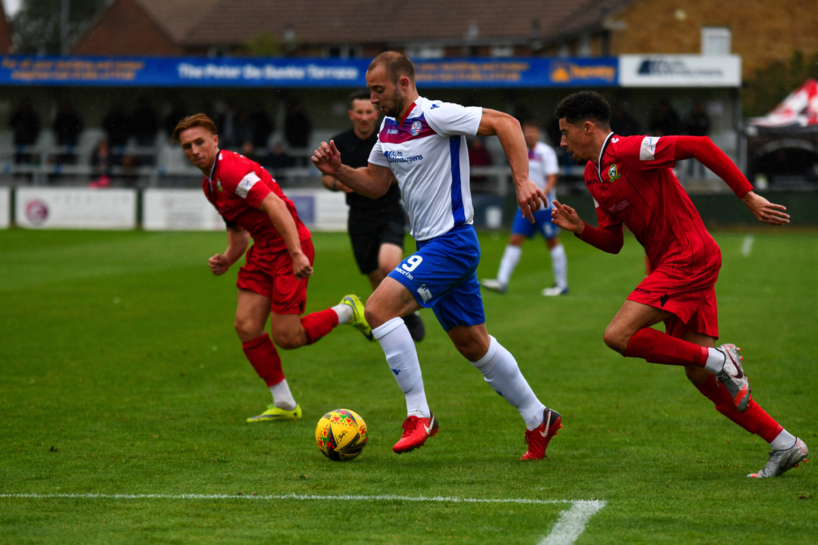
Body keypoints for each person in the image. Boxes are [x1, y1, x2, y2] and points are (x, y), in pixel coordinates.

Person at [312, 52, 561, 460]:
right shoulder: (389, 130)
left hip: (453, 241)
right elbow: (375, 184)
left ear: (404, 83)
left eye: (379, 90)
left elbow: (506, 123)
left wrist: (521, 181)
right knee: (472, 344)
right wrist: (339, 169)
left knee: (377, 311)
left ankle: (420, 415)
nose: (373, 99)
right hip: (429, 245)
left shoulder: (436, 114)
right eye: (370, 91)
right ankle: (539, 418)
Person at [550, 91, 808, 478]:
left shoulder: (630, 150)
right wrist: (580, 229)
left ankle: (723, 359)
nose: (562, 142)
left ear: (588, 128)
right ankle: (784, 443)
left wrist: (747, 195)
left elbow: (701, 145)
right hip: (675, 265)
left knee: (618, 335)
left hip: (688, 255)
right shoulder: (593, 175)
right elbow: (614, 242)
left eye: (566, 132)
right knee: (699, 373)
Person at [173, 113, 373, 423]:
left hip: (288, 247)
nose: (194, 150)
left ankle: (347, 311)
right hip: (263, 250)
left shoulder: (231, 170)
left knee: (286, 337)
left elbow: (276, 206)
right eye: (187, 147)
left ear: (215, 140)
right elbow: (239, 233)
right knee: (246, 326)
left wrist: (295, 253)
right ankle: (284, 403)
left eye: (199, 142)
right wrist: (227, 257)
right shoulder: (210, 184)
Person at [321, 89, 425, 342]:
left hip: (388, 211)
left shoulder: (387, 138)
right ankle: (391, 320)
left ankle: (409, 311)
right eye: (360, 112)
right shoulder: (339, 143)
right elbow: (326, 177)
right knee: (376, 277)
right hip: (358, 217)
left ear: (376, 113)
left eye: (370, 111)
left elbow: (395, 173)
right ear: (351, 114)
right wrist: (339, 184)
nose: (365, 117)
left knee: (389, 266)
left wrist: (361, 178)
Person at [482, 119, 568, 296]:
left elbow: (552, 177)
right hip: (526, 206)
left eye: (532, 131)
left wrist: (542, 194)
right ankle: (502, 281)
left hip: (544, 207)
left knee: (552, 241)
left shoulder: (546, 152)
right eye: (526, 131)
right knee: (515, 239)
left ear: (538, 133)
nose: (529, 134)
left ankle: (561, 285)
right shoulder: (519, 151)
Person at [683, 101, 711, 180]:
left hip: (701, 141)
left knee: (702, 160)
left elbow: (707, 127)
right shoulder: (690, 117)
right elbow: (686, 127)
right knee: (691, 160)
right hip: (691, 141)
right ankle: (689, 175)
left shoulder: (704, 117)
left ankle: (702, 176)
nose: (697, 109)